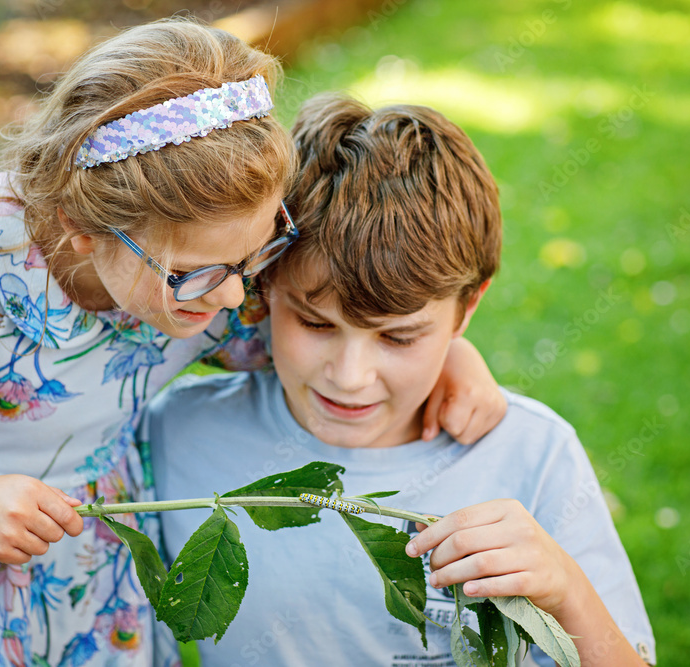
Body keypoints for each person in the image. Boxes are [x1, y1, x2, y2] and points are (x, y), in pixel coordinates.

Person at [0, 20, 505, 667]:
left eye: (257, 252)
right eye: (197, 273)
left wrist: (452, 354)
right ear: (81, 226)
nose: (237, 300)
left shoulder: (212, 273)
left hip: (89, 594)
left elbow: (338, 341)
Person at [142, 94, 657, 666]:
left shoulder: (532, 456)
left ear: (466, 311)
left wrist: (568, 592)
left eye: (398, 337)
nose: (351, 378)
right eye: (314, 323)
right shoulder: (179, 432)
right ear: (261, 285)